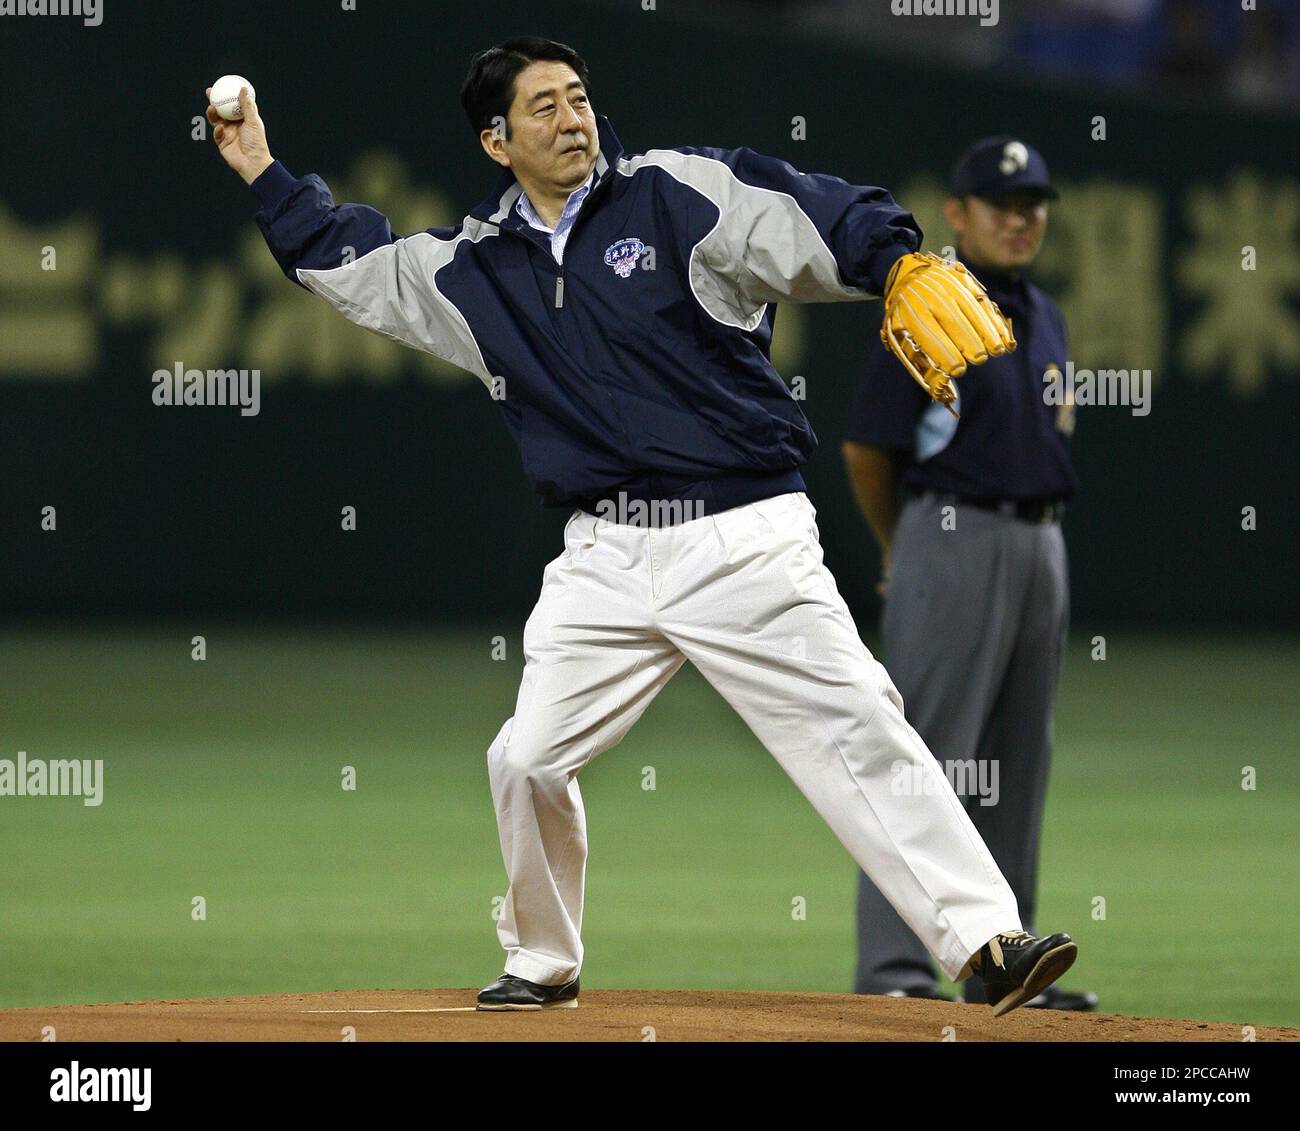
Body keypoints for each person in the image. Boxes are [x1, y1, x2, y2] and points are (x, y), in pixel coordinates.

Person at [207, 38, 1078, 1016]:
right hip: (605, 555)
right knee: (525, 758)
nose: (571, 117)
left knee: (858, 723)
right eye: (541, 107)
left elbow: (803, 206)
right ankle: (543, 958)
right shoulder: (478, 269)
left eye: (576, 97)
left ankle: (986, 940)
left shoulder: (674, 195)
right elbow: (349, 263)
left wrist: (892, 257)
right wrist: (259, 169)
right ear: (495, 142)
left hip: (741, 532)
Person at [843, 136, 1097, 1010]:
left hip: (1040, 545)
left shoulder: (1047, 311)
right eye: (1002, 204)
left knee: (1019, 761)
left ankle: (1008, 965)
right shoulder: (930, 300)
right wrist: (903, 547)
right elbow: (866, 446)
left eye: (1033, 204)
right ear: (957, 213)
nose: (1021, 218)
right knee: (926, 764)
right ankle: (898, 973)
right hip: (949, 537)